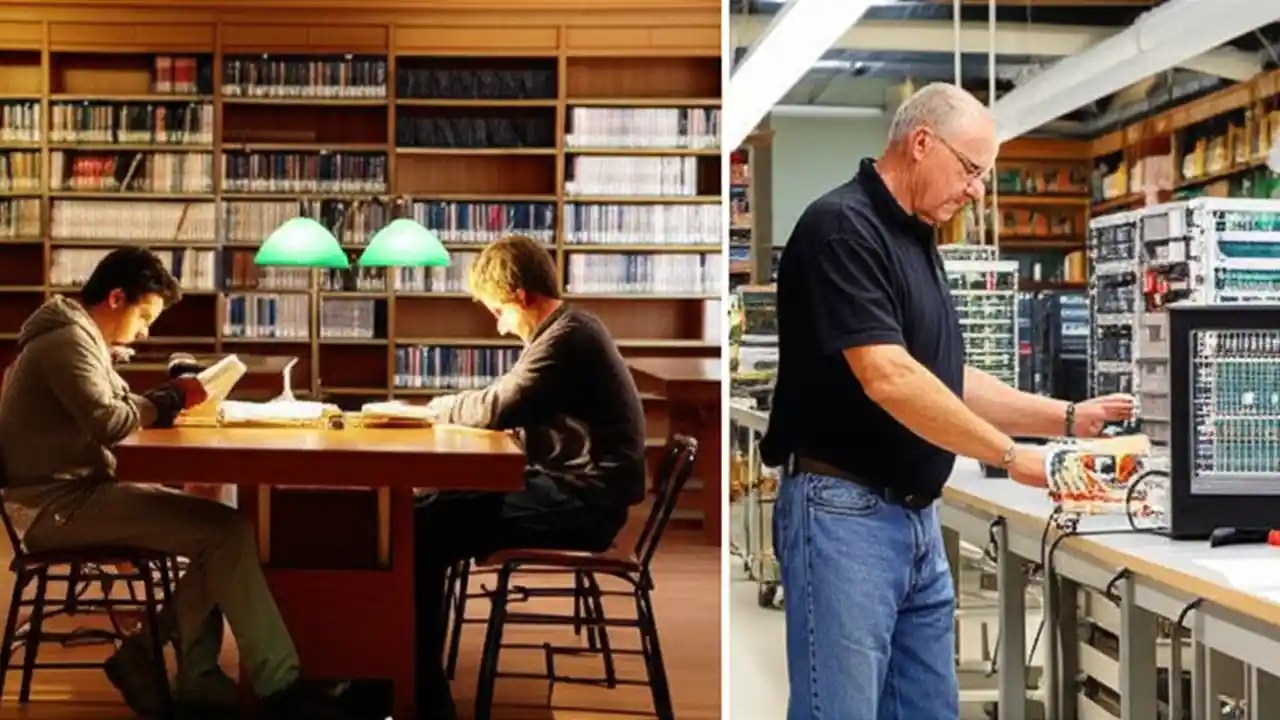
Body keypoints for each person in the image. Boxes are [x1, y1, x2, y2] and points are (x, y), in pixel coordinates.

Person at [759, 83, 1133, 720]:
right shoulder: (842, 229)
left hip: (913, 523)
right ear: (922, 142)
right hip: (845, 516)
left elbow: (944, 375)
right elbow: (889, 377)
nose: (977, 191)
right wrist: (1012, 456)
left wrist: (1067, 418)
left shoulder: (915, 237)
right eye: (971, 170)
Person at [0, 248, 350, 719]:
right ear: (117, 298)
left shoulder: (77, 339)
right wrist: (167, 397)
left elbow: (115, 411)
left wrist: (160, 395)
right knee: (225, 532)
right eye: (144, 315)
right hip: (56, 507)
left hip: (70, 494)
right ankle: (276, 687)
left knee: (220, 531)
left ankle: (187, 674)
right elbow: (110, 421)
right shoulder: (66, 342)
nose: (145, 331)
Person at [414, 234, 647, 719]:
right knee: (429, 511)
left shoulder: (569, 336)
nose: (499, 328)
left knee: (423, 529)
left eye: (498, 311)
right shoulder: (567, 330)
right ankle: (406, 676)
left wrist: (433, 409)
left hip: (585, 506)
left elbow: (503, 403)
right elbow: (506, 397)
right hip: (575, 491)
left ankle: (418, 691)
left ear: (521, 295)